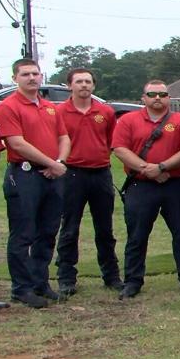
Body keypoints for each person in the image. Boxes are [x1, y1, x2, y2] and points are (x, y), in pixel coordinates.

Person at [111, 79, 180, 298]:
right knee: (137, 236)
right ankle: (133, 281)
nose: (157, 98)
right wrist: (146, 169)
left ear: (169, 97)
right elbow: (119, 149)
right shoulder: (128, 120)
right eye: (152, 94)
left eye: (162, 94)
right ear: (143, 98)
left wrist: (161, 167)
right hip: (141, 185)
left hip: (176, 184)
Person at [0, 57, 70, 308]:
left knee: (47, 232)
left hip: (52, 175)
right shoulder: (8, 107)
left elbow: (64, 137)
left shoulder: (50, 107)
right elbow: (17, 143)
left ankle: (41, 283)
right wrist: (52, 164)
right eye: (25, 74)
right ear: (15, 78)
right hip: (24, 175)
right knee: (23, 234)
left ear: (41, 76)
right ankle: (22, 288)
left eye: (35, 74)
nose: (31, 78)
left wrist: (59, 161)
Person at [53, 67, 120, 296]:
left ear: (93, 85)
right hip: (71, 174)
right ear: (69, 86)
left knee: (105, 228)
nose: (84, 85)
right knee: (70, 227)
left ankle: (111, 276)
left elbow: (110, 141)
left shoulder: (106, 112)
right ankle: (66, 277)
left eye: (88, 81)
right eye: (79, 81)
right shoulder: (59, 112)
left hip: (101, 174)